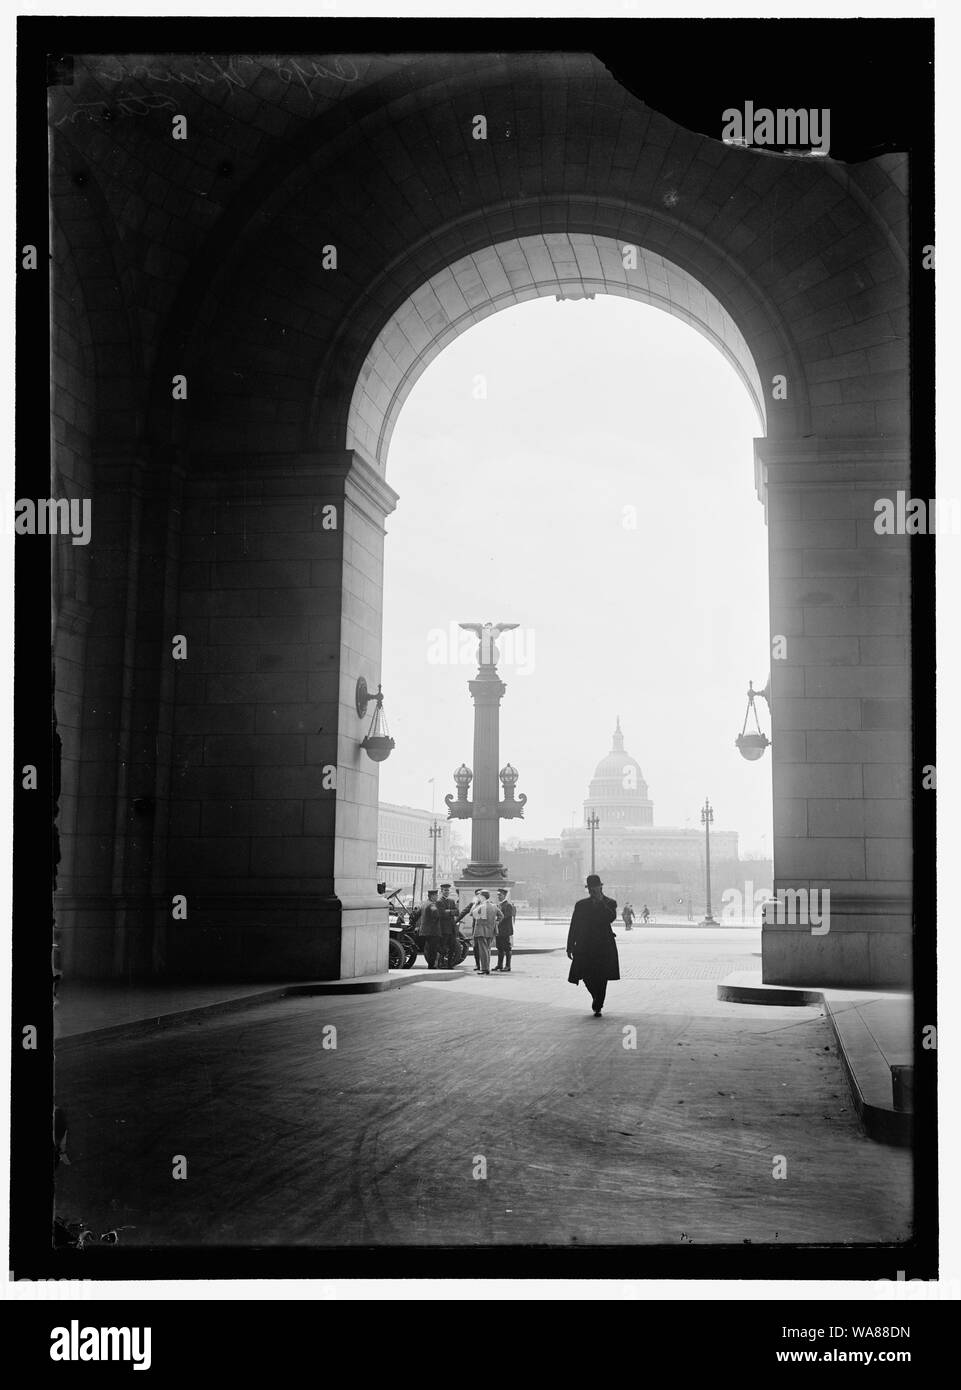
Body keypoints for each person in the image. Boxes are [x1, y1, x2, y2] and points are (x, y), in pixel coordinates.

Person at [567, 874, 619, 1016]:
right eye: (590, 888)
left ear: (601, 887)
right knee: (586, 975)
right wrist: (570, 945)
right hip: (585, 945)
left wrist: (600, 902)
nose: (593, 890)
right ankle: (596, 997)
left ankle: (598, 1003)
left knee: (602, 976)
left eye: (595, 887)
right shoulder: (581, 905)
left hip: (603, 946)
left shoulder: (610, 903)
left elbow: (610, 918)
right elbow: (574, 926)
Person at [470, 890, 501, 975]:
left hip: (481, 931)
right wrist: (495, 923)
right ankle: (486, 967)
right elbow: (501, 915)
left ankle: (484, 969)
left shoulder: (480, 906)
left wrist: (475, 904)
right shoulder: (494, 906)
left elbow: (471, 913)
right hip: (491, 930)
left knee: (483, 951)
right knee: (487, 950)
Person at [436, 883, 460, 968]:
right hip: (444, 928)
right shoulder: (439, 902)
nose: (447, 892)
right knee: (443, 947)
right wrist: (451, 912)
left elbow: (457, 912)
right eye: (445, 890)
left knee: (452, 947)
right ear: (441, 891)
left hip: (451, 928)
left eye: (448, 890)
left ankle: (450, 964)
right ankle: (441, 963)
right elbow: (442, 914)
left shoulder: (451, 901)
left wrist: (449, 911)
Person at [419, 889, 443, 967]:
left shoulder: (424, 903)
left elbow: (417, 914)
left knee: (429, 949)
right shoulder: (432, 905)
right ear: (432, 896)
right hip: (433, 931)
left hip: (425, 931)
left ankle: (430, 964)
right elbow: (436, 915)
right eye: (436, 895)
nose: (437, 897)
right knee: (433, 949)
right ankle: (431, 965)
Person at [493, 888, 515, 971]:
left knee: (507, 948)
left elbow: (505, 917)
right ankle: (499, 965)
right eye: (498, 895)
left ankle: (508, 965)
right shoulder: (499, 905)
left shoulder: (508, 905)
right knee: (499, 948)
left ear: (505, 896)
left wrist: (496, 920)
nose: (499, 896)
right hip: (499, 930)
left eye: (500, 895)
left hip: (505, 930)